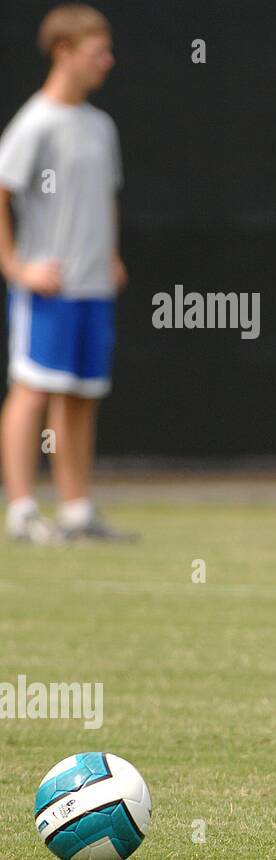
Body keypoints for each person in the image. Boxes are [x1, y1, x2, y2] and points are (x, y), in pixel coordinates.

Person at [0, 3, 132, 543]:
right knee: (32, 388)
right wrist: (15, 266)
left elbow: (107, 198)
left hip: (92, 286)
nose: (107, 60)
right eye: (97, 50)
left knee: (81, 394)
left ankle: (76, 510)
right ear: (63, 51)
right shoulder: (36, 121)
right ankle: (23, 510)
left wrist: (111, 254)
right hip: (48, 286)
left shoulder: (100, 126)